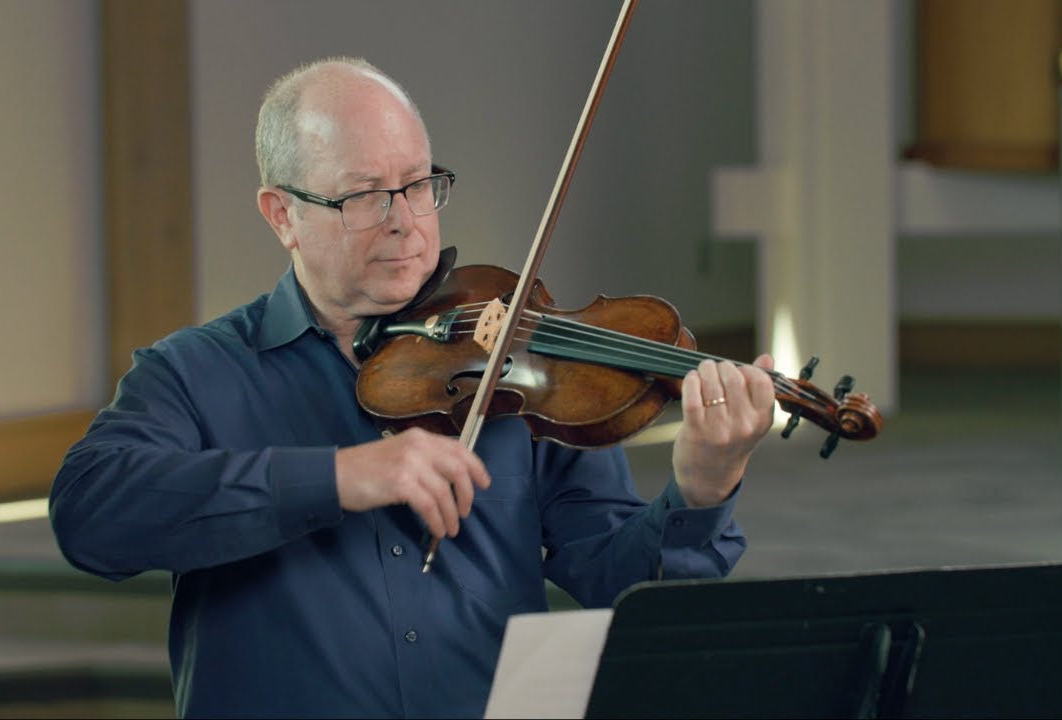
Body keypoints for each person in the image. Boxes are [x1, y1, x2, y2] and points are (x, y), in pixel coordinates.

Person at [49, 56, 776, 719]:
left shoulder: (520, 369)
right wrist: (336, 476)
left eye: (420, 185)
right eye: (365, 196)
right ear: (283, 216)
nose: (405, 224)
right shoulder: (196, 373)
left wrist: (702, 489)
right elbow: (91, 514)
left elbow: (619, 585)